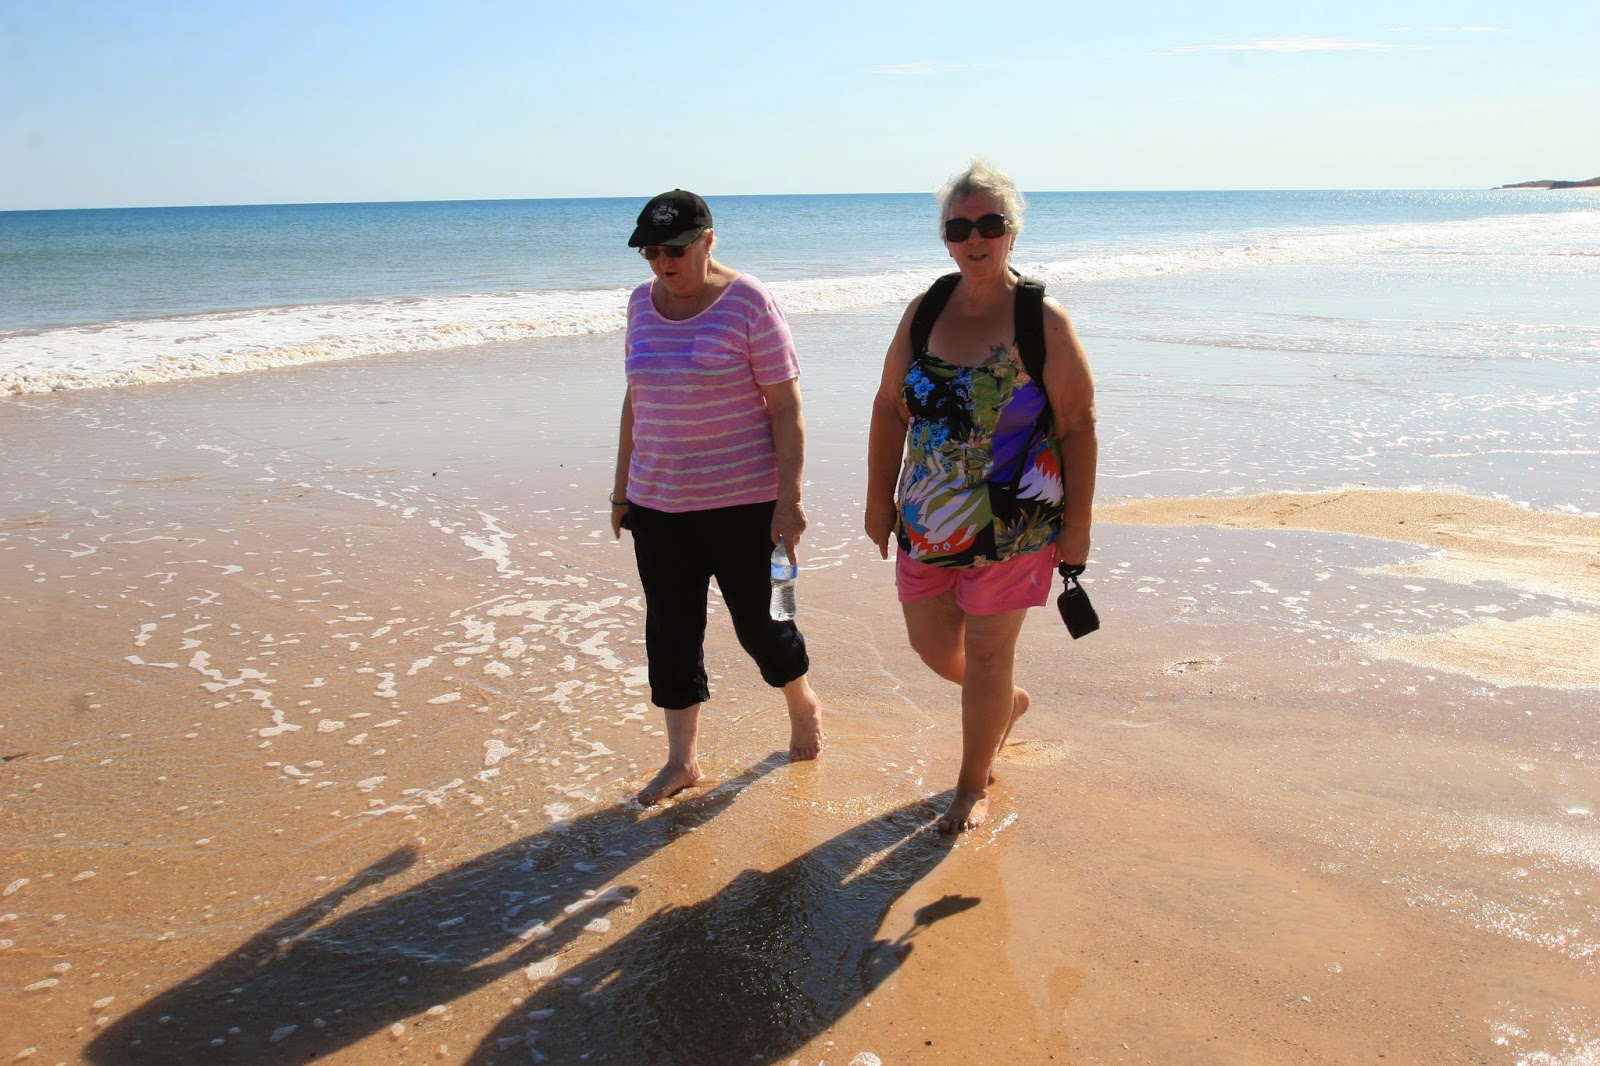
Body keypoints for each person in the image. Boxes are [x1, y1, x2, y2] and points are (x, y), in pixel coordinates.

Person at [865, 161, 1098, 834]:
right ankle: (1002, 705)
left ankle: (970, 787)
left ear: (1013, 232)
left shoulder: (1041, 319)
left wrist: (1077, 528)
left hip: (1016, 523)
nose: (975, 238)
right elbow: (887, 408)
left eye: (989, 224)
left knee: (991, 654)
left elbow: (1080, 425)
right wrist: (878, 501)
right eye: (959, 226)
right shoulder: (927, 308)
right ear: (945, 236)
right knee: (932, 646)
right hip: (929, 517)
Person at [611, 189, 825, 805]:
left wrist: (790, 498)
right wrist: (621, 488)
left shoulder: (750, 302)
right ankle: (683, 761)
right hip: (659, 503)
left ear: (709, 240)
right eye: (650, 251)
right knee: (670, 632)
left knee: (767, 621)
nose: (662, 263)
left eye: (675, 249)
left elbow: (786, 407)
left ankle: (801, 701)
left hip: (748, 504)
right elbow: (635, 398)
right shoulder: (638, 305)